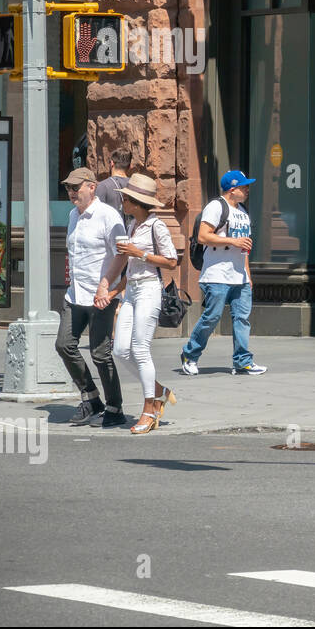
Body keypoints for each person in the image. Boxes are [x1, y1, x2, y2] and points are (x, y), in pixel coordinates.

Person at [95, 174, 180, 435]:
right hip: (130, 291)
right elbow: (127, 268)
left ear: (136, 202)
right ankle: (159, 391)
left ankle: (150, 409)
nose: (122, 202)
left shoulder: (157, 226)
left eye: (126, 199)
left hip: (149, 290)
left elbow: (172, 261)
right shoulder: (132, 225)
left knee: (140, 350)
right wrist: (113, 291)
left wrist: (140, 253)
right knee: (120, 350)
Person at [55, 167, 128, 427]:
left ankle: (115, 407)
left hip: (101, 296)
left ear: (92, 187)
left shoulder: (109, 216)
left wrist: (106, 286)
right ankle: (91, 397)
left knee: (100, 354)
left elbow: (122, 253)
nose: (72, 193)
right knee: (64, 345)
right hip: (75, 295)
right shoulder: (73, 215)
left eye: (76, 188)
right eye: (68, 188)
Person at [179, 170, 266, 376]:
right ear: (232, 189)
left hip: (240, 277)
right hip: (217, 274)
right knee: (212, 316)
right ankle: (189, 355)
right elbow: (202, 236)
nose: (247, 189)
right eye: (244, 186)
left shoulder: (243, 211)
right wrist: (232, 241)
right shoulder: (216, 207)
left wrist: (248, 275)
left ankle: (243, 361)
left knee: (242, 318)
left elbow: (244, 247)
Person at [94, 149, 133, 217]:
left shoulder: (103, 186)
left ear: (112, 163)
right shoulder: (135, 185)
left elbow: (97, 214)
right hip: (133, 227)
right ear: (130, 166)